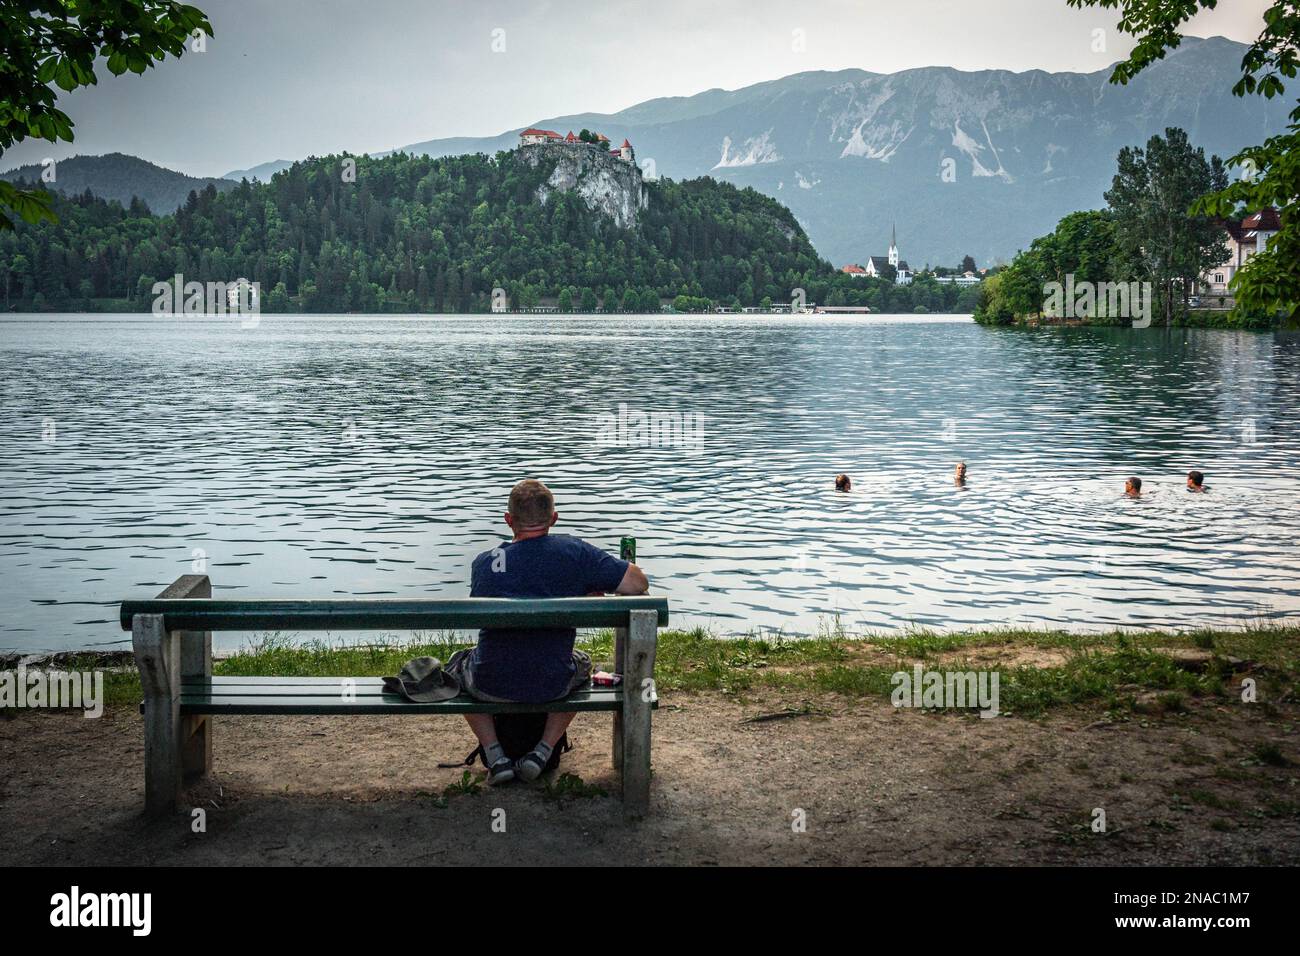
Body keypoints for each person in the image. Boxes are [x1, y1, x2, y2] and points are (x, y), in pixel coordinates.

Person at [449, 479, 649, 785]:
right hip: (552, 681)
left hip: (491, 681)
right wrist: (582, 588)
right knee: (582, 665)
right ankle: (543, 750)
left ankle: (495, 754)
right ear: (554, 518)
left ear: (508, 520)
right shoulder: (574, 553)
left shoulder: (485, 563)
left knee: (456, 667)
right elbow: (637, 584)